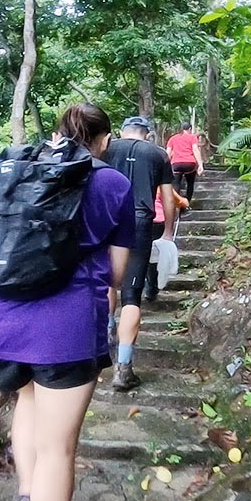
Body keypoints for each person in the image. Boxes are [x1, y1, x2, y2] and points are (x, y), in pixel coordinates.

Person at [0, 104, 135, 501]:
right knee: (60, 446)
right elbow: (117, 275)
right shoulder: (111, 183)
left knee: (26, 401)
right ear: (103, 140)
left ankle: (29, 493)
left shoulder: (16, 169)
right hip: (62, 329)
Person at [104, 116, 176, 391]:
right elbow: (168, 197)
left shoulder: (109, 149)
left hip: (108, 221)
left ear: (122, 132)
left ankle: (107, 332)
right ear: (147, 134)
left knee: (108, 280)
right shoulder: (157, 154)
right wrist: (168, 232)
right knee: (131, 295)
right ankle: (123, 368)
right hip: (140, 223)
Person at [144, 187, 188, 301]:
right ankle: (151, 287)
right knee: (155, 256)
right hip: (158, 222)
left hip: (141, 220)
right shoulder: (161, 186)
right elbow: (181, 202)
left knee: (142, 253)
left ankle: (140, 285)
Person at [166, 122, 205, 208]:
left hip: (176, 164)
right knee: (190, 184)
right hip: (189, 164)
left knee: (176, 184)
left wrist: (165, 166)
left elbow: (168, 153)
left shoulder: (172, 138)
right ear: (190, 129)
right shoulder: (192, 137)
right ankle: (187, 203)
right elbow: (195, 149)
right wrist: (200, 165)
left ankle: (176, 205)